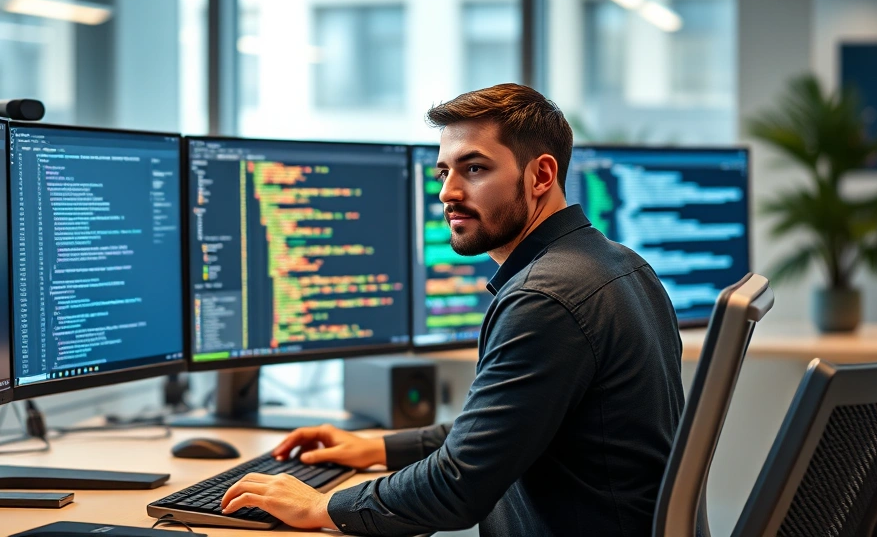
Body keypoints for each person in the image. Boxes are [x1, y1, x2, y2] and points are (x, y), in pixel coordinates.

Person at [220, 83, 685, 536]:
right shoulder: (620, 264)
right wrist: (377, 447)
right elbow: (500, 430)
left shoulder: (544, 298)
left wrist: (322, 505)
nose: (447, 192)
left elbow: (457, 486)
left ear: (541, 175)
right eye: (444, 172)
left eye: (474, 169)